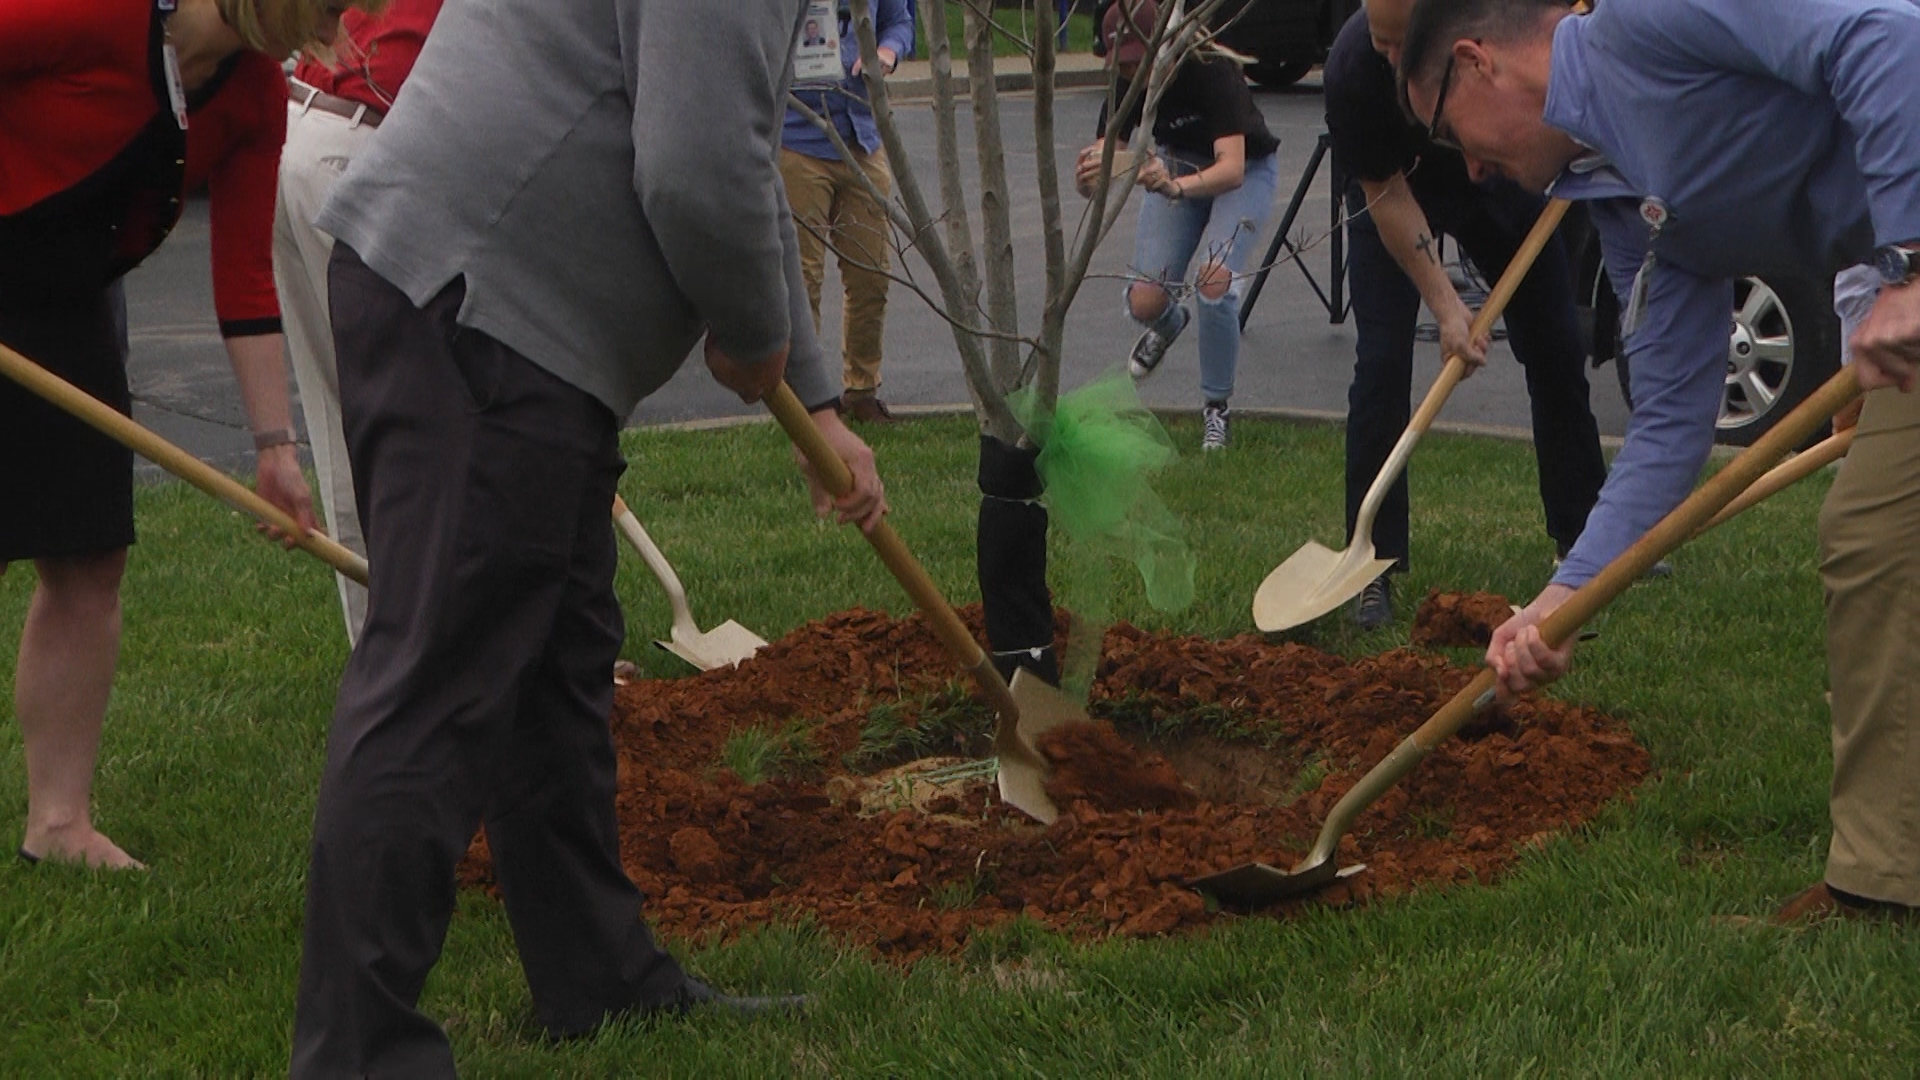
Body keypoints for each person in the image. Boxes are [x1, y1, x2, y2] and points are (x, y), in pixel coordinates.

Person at [290, 2, 889, 1073]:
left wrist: (813, 395)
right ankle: (357, 1055)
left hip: (501, 320)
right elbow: (695, 168)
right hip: (482, 311)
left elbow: (736, 144)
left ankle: (599, 981)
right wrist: (753, 333)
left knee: (554, 676)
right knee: (438, 685)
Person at [1398, 0, 1920, 920]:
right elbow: (1671, 421)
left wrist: (1909, 265)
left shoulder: (1647, 20)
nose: (1470, 169)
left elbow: (1890, 39)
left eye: (1448, 134)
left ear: (1477, 63)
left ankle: (1883, 887)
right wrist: (1564, 598)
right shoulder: (1624, 200)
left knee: (1873, 537)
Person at [0, 0, 359, 869]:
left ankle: (60, 824)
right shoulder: (100, 14)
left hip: (67, 301)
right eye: (323, 8)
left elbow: (244, 277)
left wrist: (275, 450)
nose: (331, 33)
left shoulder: (256, 94)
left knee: (88, 558)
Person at [1322, 0, 1606, 629]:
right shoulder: (1354, 70)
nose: (1391, 60)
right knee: (1381, 364)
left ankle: (1585, 536)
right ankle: (1372, 564)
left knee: (1557, 345)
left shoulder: (1490, 35)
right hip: (1396, 199)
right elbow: (1385, 194)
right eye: (1381, 44)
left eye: (1401, 45)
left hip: (1494, 179)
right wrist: (1447, 306)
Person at [274, 0, 445, 646]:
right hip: (360, 149)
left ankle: (382, 658)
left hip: (302, 130)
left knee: (346, 422)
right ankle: (443, 658)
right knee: (429, 429)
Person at [1075, 0, 1282, 451]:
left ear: (1166, 47)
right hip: (1178, 165)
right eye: (1122, 65)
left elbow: (1232, 169)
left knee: (1214, 282)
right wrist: (1090, 178)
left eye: (1139, 62)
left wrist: (1174, 186)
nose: (1132, 74)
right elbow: (1107, 159)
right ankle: (1169, 323)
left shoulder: (1210, 69)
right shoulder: (1127, 84)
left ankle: (1216, 407)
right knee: (1144, 299)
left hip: (1243, 173)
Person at [781, 0, 914, 423]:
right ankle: (806, 404)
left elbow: (899, 22)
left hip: (862, 138)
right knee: (803, 281)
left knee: (871, 274)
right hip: (796, 140)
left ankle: (862, 390)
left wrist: (888, 51)